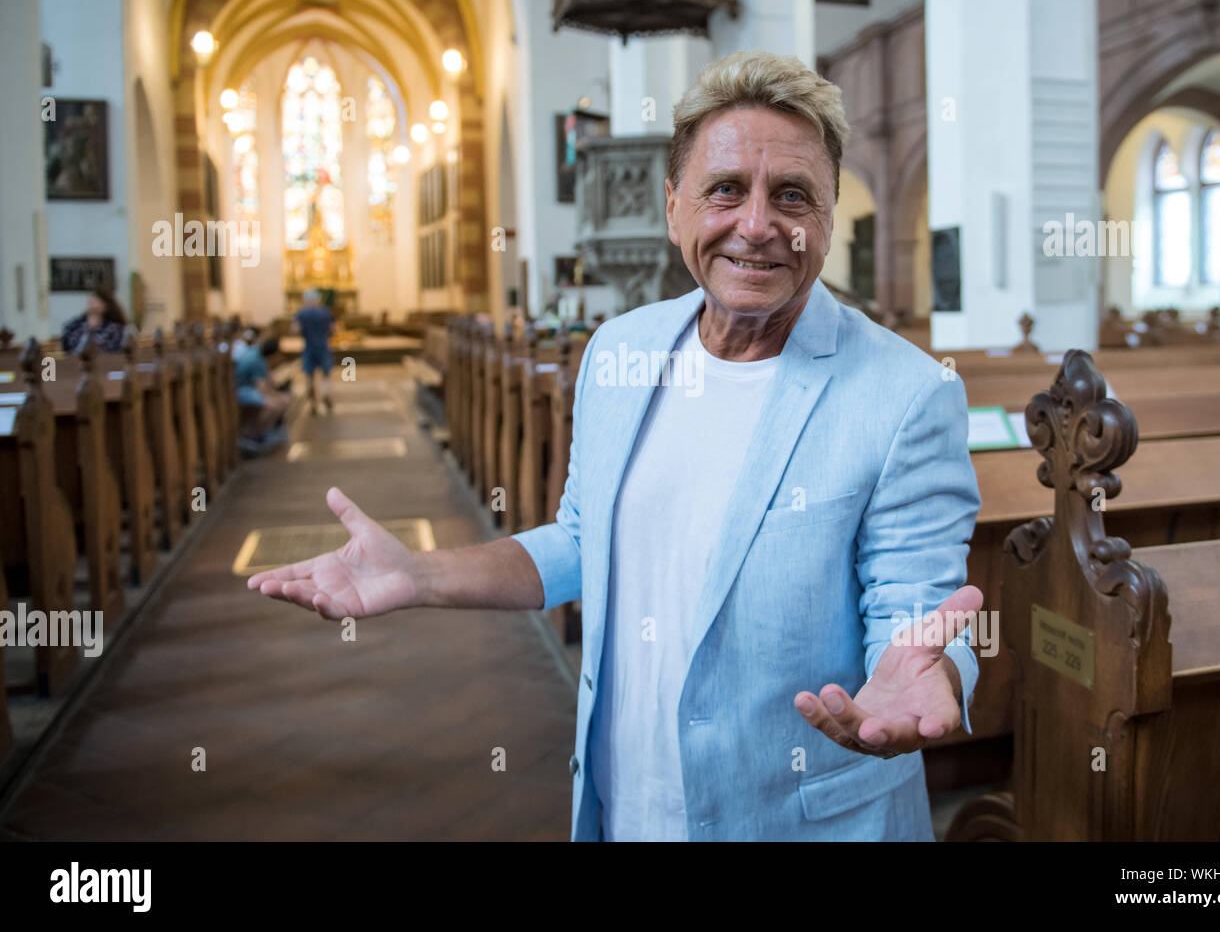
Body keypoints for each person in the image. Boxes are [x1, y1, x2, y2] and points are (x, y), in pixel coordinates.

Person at [250, 50, 984, 842]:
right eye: (726, 189)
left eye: (794, 196)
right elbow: (581, 538)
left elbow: (914, 605)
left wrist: (928, 671)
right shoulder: (620, 353)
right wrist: (421, 573)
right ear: (674, 208)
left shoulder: (907, 394)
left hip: (800, 819)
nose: (759, 223)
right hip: (629, 805)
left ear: (828, 218)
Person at [234, 335, 290, 451]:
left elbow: (268, 381)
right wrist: (277, 396)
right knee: (274, 406)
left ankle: (262, 433)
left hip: (248, 389)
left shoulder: (257, 353)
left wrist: (277, 394)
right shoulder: (256, 360)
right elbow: (262, 388)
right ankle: (253, 435)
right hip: (242, 390)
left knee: (281, 401)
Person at [293, 288, 334, 415]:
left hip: (309, 347)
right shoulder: (325, 312)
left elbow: (295, 330)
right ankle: (326, 394)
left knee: (309, 376)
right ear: (317, 299)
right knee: (326, 374)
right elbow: (332, 330)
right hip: (323, 346)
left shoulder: (302, 313)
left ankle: (312, 403)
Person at [61, 281, 129, 354]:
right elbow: (66, 346)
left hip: (106, 363)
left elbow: (111, 351)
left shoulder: (114, 329)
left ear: (106, 306)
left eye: (97, 299)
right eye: (92, 297)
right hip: (73, 363)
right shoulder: (75, 325)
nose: (92, 300)